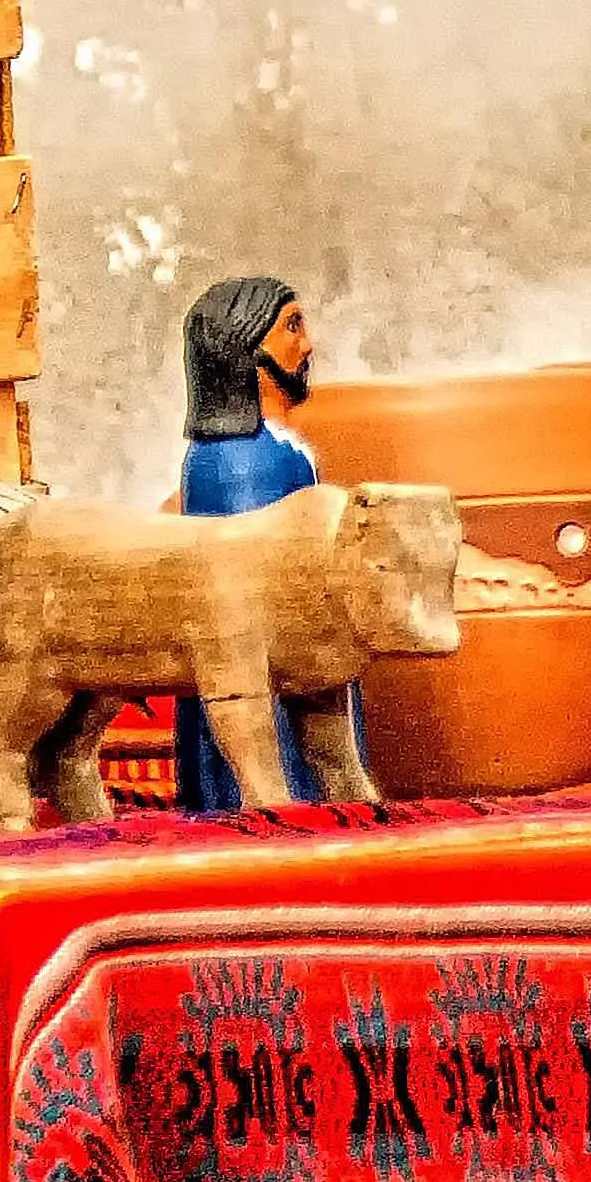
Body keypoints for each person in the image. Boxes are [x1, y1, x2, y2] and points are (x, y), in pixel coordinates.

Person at [171, 275, 330, 812]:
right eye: (291, 326)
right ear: (247, 346)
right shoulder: (237, 457)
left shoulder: (280, 444)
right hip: (257, 653)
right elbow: (245, 569)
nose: (306, 345)